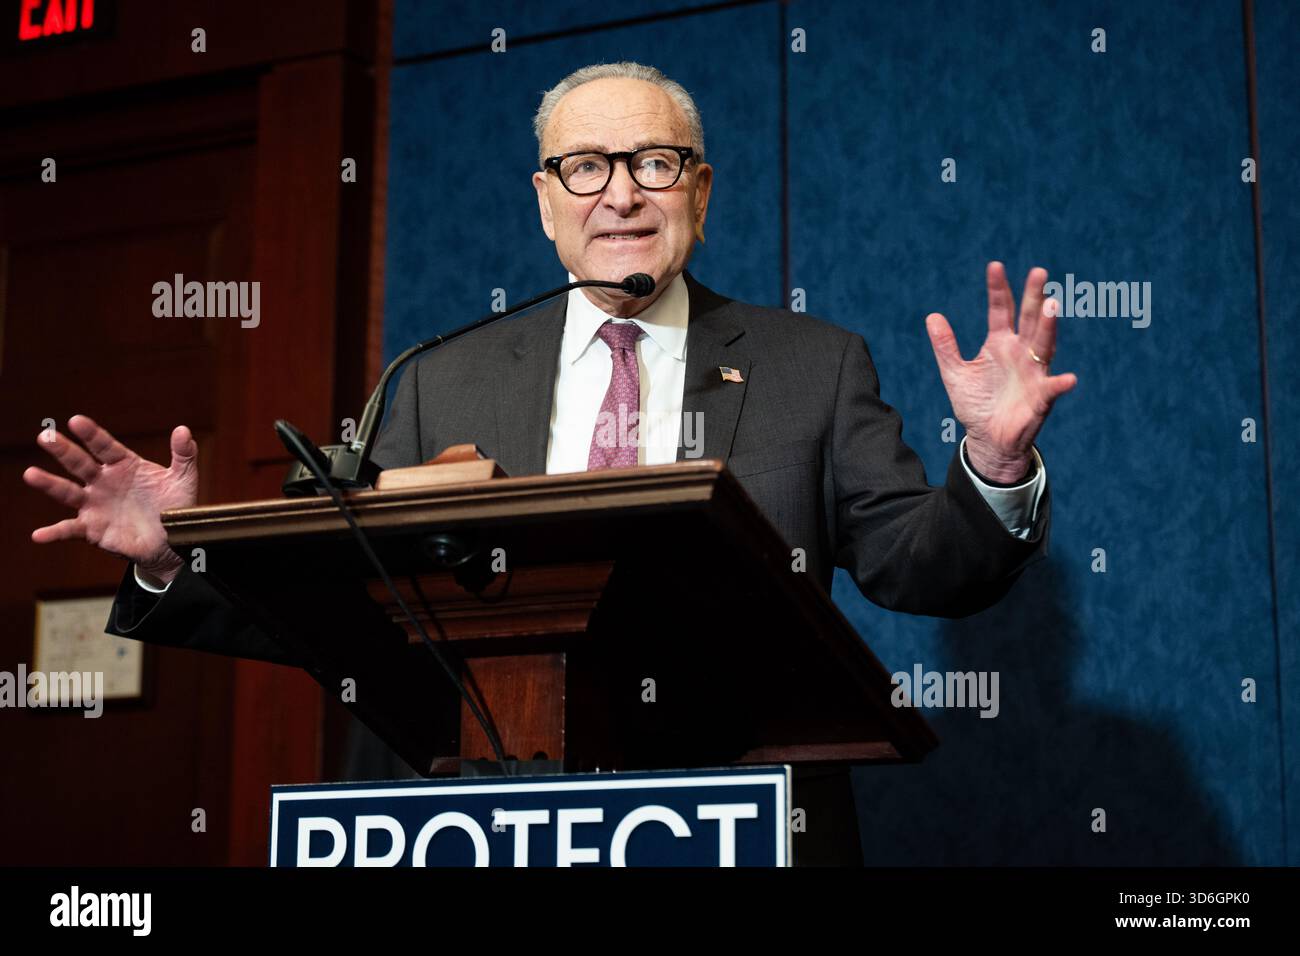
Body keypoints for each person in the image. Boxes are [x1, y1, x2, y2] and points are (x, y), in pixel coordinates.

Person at [23, 62, 1076, 863]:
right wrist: (180, 556)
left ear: (698, 193)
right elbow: (349, 604)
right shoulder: (435, 378)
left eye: (652, 163)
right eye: (586, 166)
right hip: (488, 821)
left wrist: (988, 462)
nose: (619, 193)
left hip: (741, 822)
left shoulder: (813, 365)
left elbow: (919, 566)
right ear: (545, 200)